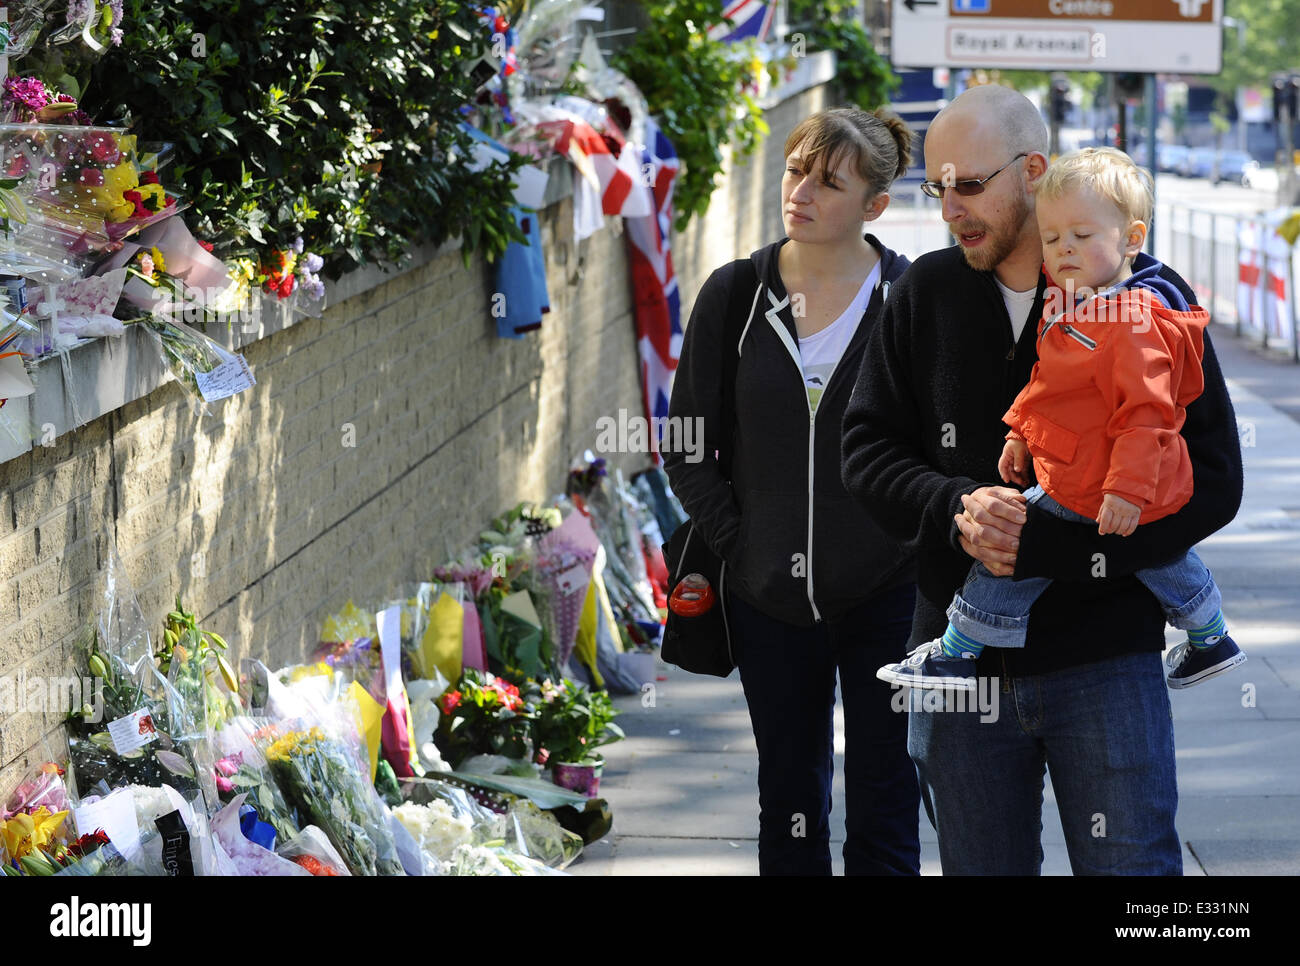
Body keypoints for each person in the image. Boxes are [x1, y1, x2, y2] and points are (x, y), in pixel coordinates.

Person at [841, 86, 1243, 875]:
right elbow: (865, 451)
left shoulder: (1148, 301)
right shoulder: (925, 290)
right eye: (936, 188)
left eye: (967, 185)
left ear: (1031, 171)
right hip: (960, 671)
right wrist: (956, 506)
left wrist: (1058, 545)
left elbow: (1217, 480)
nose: (950, 209)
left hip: (1108, 662)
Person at [876, 147, 1245, 693]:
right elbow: (1053, 389)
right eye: (1052, 240)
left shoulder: (1132, 318)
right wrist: (1022, 433)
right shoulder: (1079, 305)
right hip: (1092, 472)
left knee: (1009, 545)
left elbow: (1148, 414)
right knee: (1161, 558)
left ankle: (957, 651)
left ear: (1132, 238)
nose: (1063, 250)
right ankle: (1210, 636)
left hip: (1097, 480)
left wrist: (1125, 489)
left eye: (1082, 236)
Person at [664, 107, 920, 875]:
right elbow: (687, 447)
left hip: (890, 596)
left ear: (875, 205)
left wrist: (907, 541)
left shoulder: (911, 299)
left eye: (828, 181)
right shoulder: (737, 293)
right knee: (792, 802)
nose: (800, 192)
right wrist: (744, 549)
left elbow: (946, 450)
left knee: (887, 797)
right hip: (769, 596)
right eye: (795, 171)